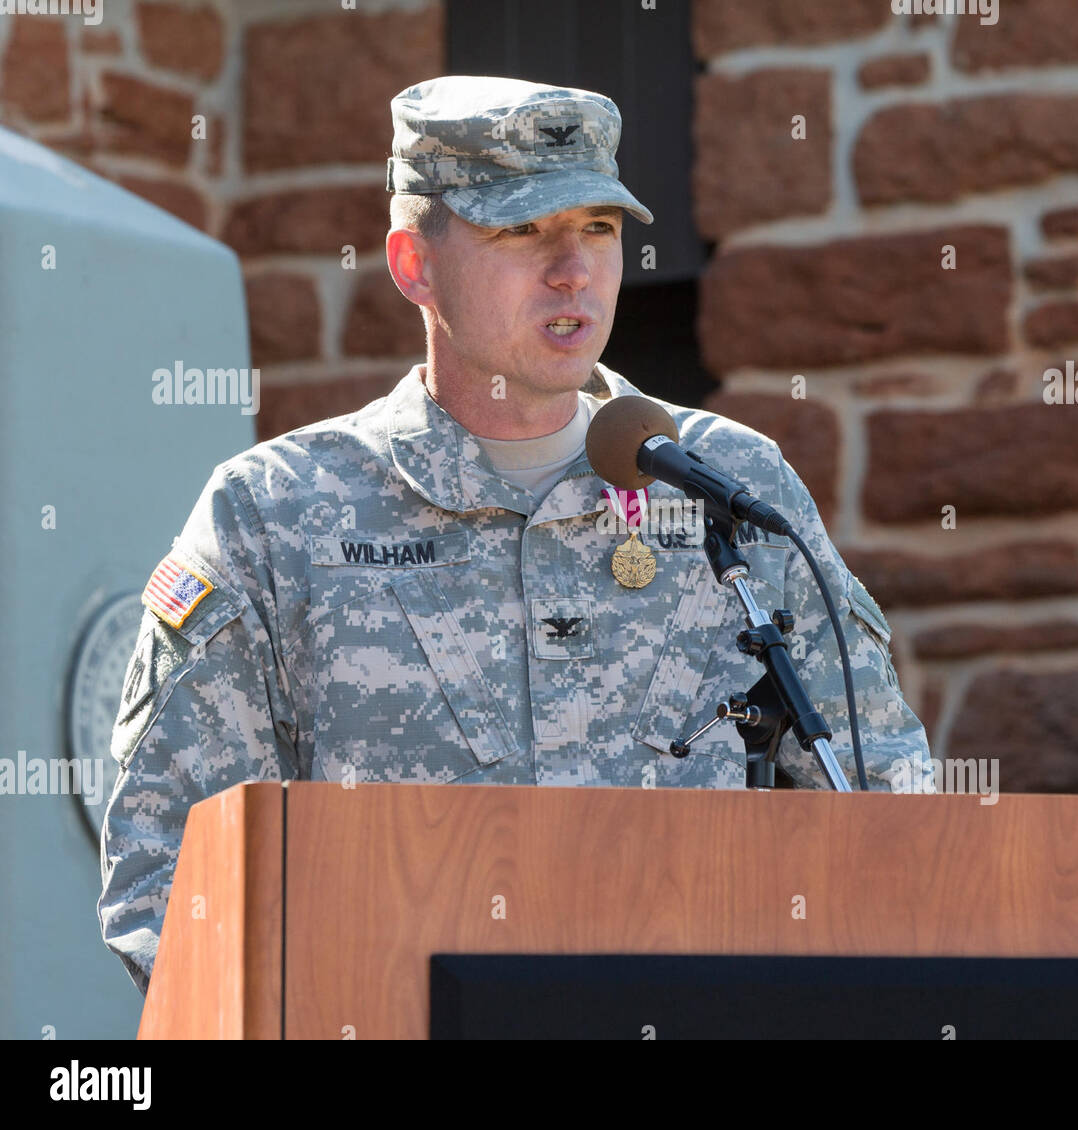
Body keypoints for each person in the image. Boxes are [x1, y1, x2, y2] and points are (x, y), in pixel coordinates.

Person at [98, 76, 931, 995]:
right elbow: (169, 878)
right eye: (522, 232)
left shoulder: (730, 487)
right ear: (415, 264)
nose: (573, 270)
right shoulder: (277, 515)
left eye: (600, 230)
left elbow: (883, 804)